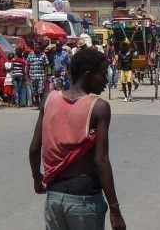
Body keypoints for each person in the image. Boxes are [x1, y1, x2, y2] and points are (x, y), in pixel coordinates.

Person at [29, 48, 126, 230]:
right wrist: (115, 209)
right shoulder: (99, 108)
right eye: (102, 74)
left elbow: (34, 148)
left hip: (54, 197)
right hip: (84, 200)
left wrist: (36, 177)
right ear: (88, 75)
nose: (106, 80)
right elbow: (101, 160)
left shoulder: (49, 99)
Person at [27, 43, 49, 108]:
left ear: (40, 48)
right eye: (35, 48)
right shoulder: (30, 55)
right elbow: (27, 66)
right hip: (32, 76)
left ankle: (42, 104)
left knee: (41, 90)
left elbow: (46, 66)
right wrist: (27, 76)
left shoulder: (43, 55)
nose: (36, 49)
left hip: (41, 76)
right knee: (35, 91)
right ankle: (37, 103)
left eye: (38, 48)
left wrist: (46, 76)